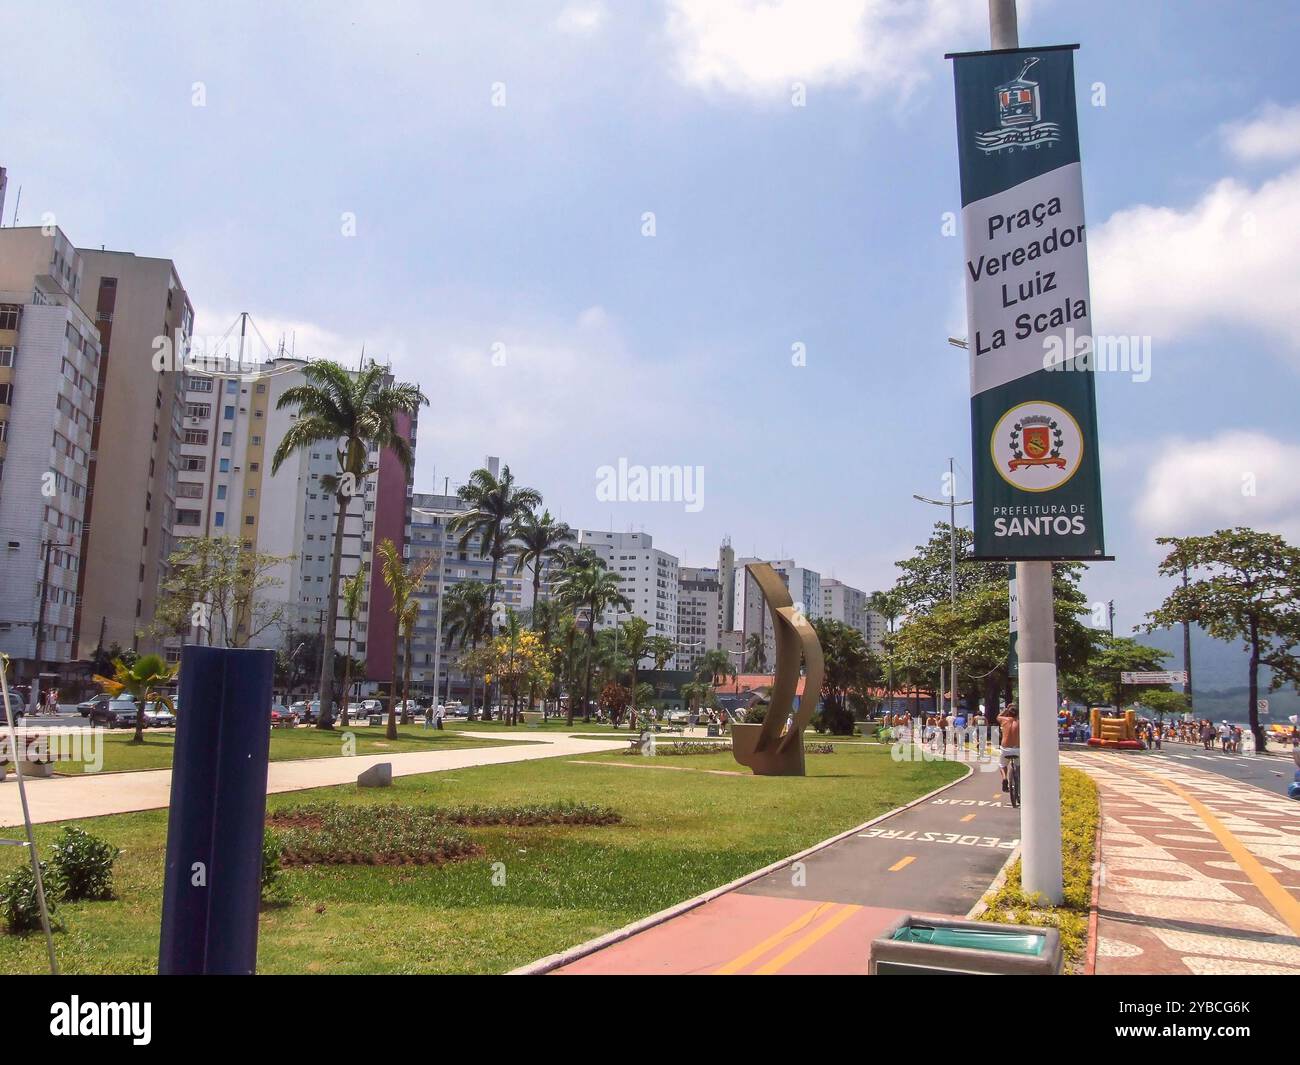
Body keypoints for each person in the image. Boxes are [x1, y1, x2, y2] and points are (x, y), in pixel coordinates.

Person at [997, 703, 1020, 792]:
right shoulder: (1020, 722)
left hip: (1005, 749)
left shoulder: (1004, 720)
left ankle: (1004, 778)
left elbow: (998, 716)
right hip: (1017, 749)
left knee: (1002, 765)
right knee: (1019, 766)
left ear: (1008, 713)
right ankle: (1018, 780)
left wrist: (1007, 708)